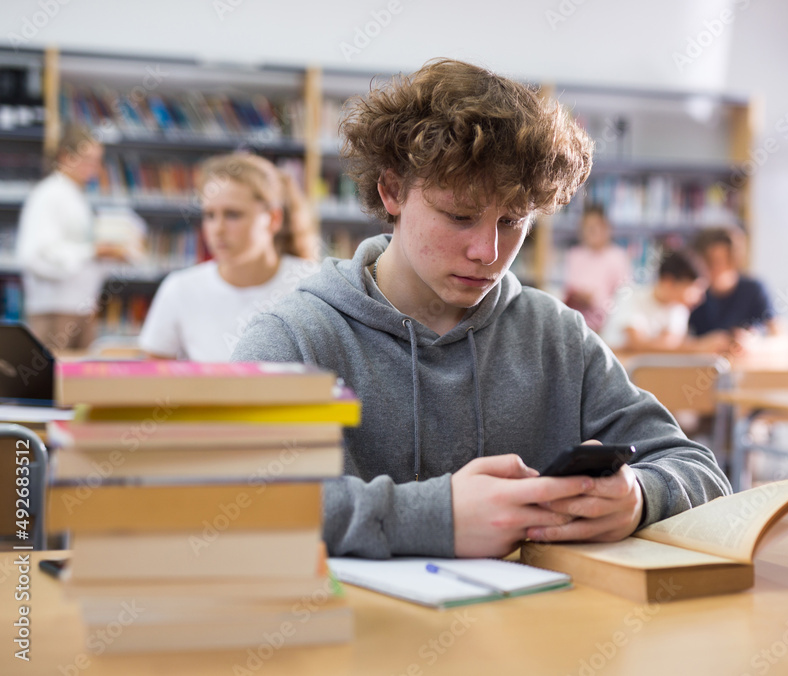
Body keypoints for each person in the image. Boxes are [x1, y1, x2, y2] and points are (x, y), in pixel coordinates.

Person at [231, 59, 730, 559]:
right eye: (460, 215)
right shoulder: (292, 338)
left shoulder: (556, 335)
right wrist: (434, 517)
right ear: (392, 190)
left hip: (537, 632)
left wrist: (640, 498)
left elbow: (699, 469)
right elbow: (234, 502)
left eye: (513, 221)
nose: (487, 251)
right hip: (362, 634)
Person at [139, 153, 320, 361]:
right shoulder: (180, 289)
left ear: (273, 219)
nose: (218, 229)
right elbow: (157, 380)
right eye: (210, 215)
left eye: (233, 214)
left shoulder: (312, 285)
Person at [15, 124, 125, 351]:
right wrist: (92, 251)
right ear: (66, 156)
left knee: (79, 383)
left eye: (97, 161)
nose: (93, 168)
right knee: (52, 382)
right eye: (87, 159)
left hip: (81, 308)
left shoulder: (76, 195)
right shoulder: (48, 195)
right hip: (55, 310)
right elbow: (35, 255)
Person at [687, 227, 788, 355]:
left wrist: (756, 346)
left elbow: (785, 342)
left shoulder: (754, 290)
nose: (715, 268)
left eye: (722, 261)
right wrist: (701, 346)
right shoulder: (690, 293)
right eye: (708, 262)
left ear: (734, 260)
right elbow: (669, 343)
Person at [601, 248, 705, 353]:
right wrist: (698, 346)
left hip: (645, 368)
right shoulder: (629, 295)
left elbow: (669, 345)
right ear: (668, 282)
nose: (698, 298)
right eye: (692, 288)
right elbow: (637, 345)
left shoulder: (679, 309)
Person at [563, 205, 632, 332]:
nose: (588, 233)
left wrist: (595, 301)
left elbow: (623, 297)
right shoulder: (575, 255)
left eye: (593, 228)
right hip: (576, 322)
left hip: (606, 325)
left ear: (605, 228)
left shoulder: (618, 257)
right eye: (585, 228)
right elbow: (569, 289)